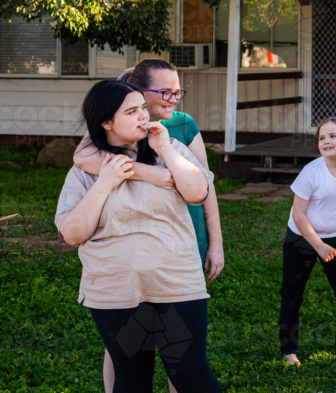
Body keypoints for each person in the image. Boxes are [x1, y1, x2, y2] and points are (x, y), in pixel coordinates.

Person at [55, 80, 221, 393]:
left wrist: (165, 149)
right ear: (106, 122)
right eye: (132, 111)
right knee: (131, 380)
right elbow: (72, 233)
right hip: (116, 291)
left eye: (142, 108)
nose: (143, 116)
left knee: (191, 375)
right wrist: (105, 183)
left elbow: (198, 192)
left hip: (176, 286)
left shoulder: (169, 151)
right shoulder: (85, 171)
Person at [279, 117, 336, 366]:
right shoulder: (311, 171)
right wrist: (318, 245)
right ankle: (289, 351)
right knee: (292, 295)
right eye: (322, 137)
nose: (326, 141)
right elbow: (298, 213)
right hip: (301, 238)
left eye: (333, 136)